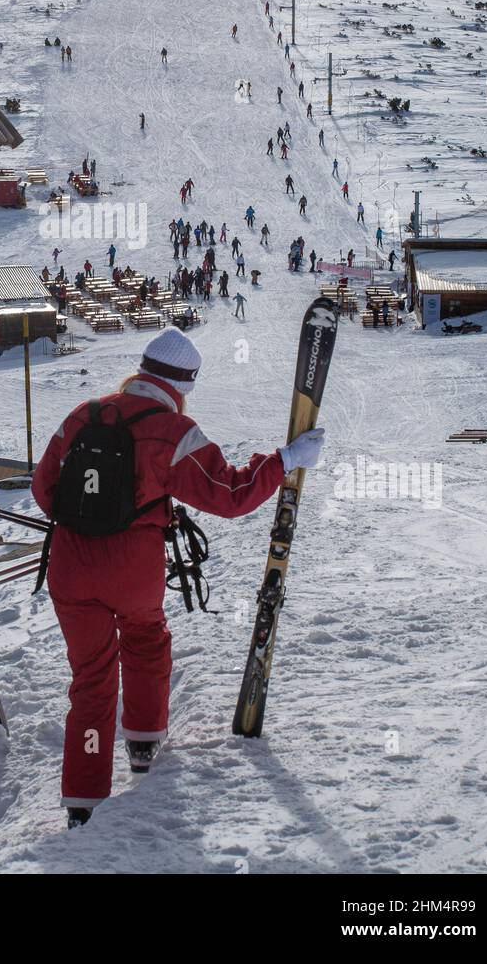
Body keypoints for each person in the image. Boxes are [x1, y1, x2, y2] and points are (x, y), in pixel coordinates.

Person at [32, 329, 325, 825]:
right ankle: (144, 745)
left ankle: (82, 800)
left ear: (143, 368)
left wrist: (89, 524)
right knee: (145, 641)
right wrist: (286, 459)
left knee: (91, 679)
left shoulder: (84, 414)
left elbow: (45, 490)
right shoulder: (171, 430)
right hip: (132, 570)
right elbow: (230, 493)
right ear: (184, 383)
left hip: (70, 565)